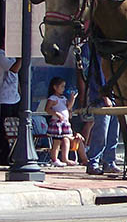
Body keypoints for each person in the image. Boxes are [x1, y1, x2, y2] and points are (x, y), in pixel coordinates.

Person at [82, 42, 121, 175]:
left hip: (115, 96)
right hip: (102, 98)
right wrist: (104, 95)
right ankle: (93, 162)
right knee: (101, 132)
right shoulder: (94, 49)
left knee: (113, 133)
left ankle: (109, 162)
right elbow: (95, 74)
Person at [45, 77, 76, 167]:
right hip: (57, 123)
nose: (63, 89)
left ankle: (65, 158)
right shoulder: (53, 98)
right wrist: (56, 114)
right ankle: (54, 159)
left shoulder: (63, 98)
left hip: (65, 123)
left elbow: (68, 107)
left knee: (66, 140)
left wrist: (72, 99)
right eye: (62, 87)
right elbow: (47, 109)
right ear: (55, 87)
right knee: (57, 141)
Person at [0, 50, 22, 166]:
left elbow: (16, 76)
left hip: (14, 97)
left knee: (16, 126)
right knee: (4, 129)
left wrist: (20, 93)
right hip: (4, 98)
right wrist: (21, 58)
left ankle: (14, 153)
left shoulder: (11, 54)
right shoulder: (1, 55)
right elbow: (13, 69)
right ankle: (4, 155)